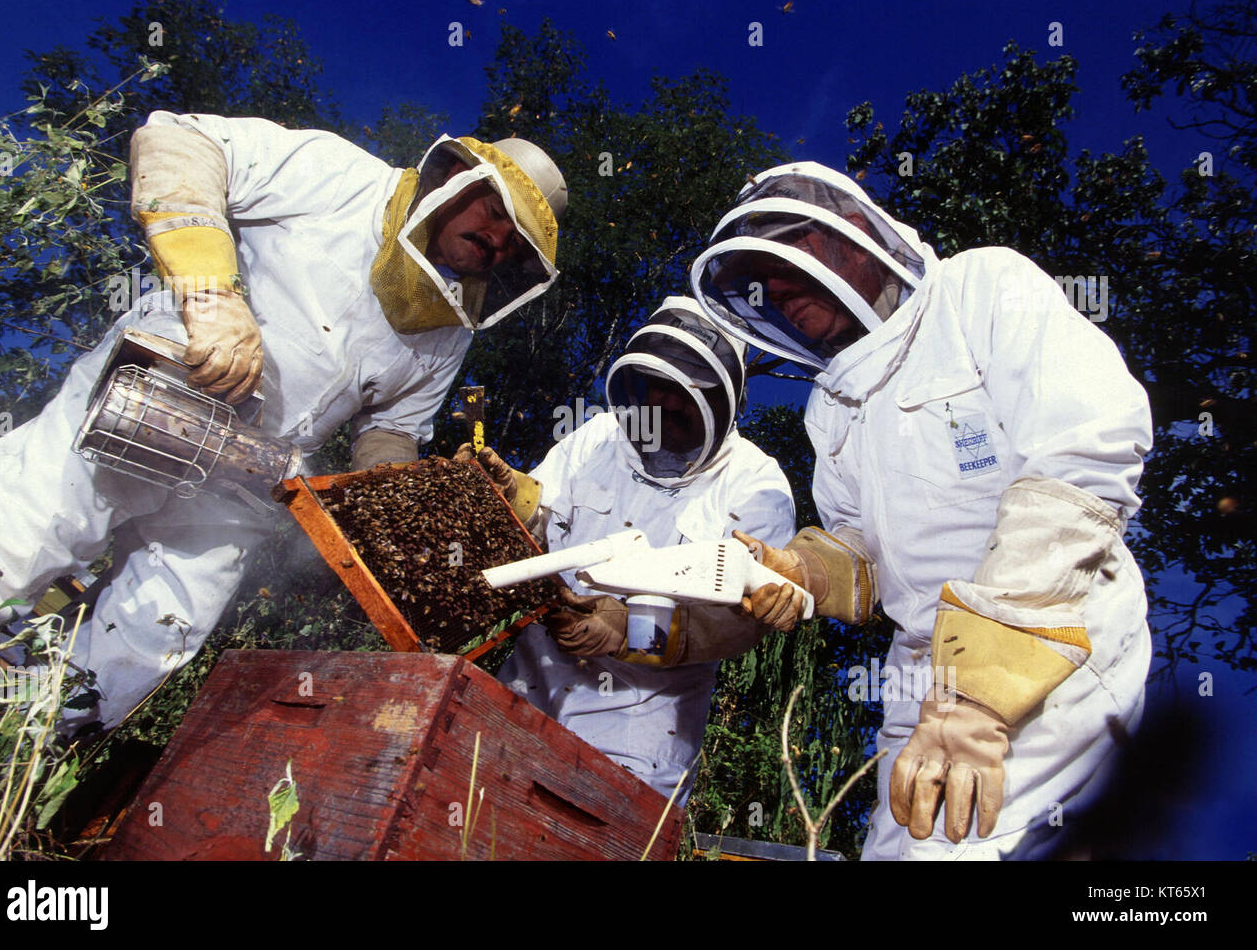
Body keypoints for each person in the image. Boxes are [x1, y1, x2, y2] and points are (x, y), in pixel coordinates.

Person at [0, 111, 566, 733]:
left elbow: (390, 432)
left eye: (514, 245)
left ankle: (8, 755)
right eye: (495, 214)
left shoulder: (449, 334)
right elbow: (179, 137)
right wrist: (211, 295)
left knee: (157, 633)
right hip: (162, 395)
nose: (497, 241)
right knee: (24, 531)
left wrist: (402, 508)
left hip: (253, 470)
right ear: (454, 177)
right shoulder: (340, 175)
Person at [687, 162, 1153, 859]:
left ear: (852, 234)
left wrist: (985, 690)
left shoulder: (982, 290)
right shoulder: (833, 404)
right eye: (760, 280)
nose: (776, 291)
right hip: (920, 680)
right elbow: (863, 555)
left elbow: (1085, 456)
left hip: (1049, 654)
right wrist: (798, 569)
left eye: (787, 259)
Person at [457, 297, 797, 803]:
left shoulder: (757, 487)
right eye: (657, 385)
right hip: (527, 689)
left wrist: (624, 629)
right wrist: (511, 494)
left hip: (640, 733)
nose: (667, 403)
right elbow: (541, 522)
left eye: (686, 391)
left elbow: (740, 623)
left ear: (726, 400)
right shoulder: (598, 436)